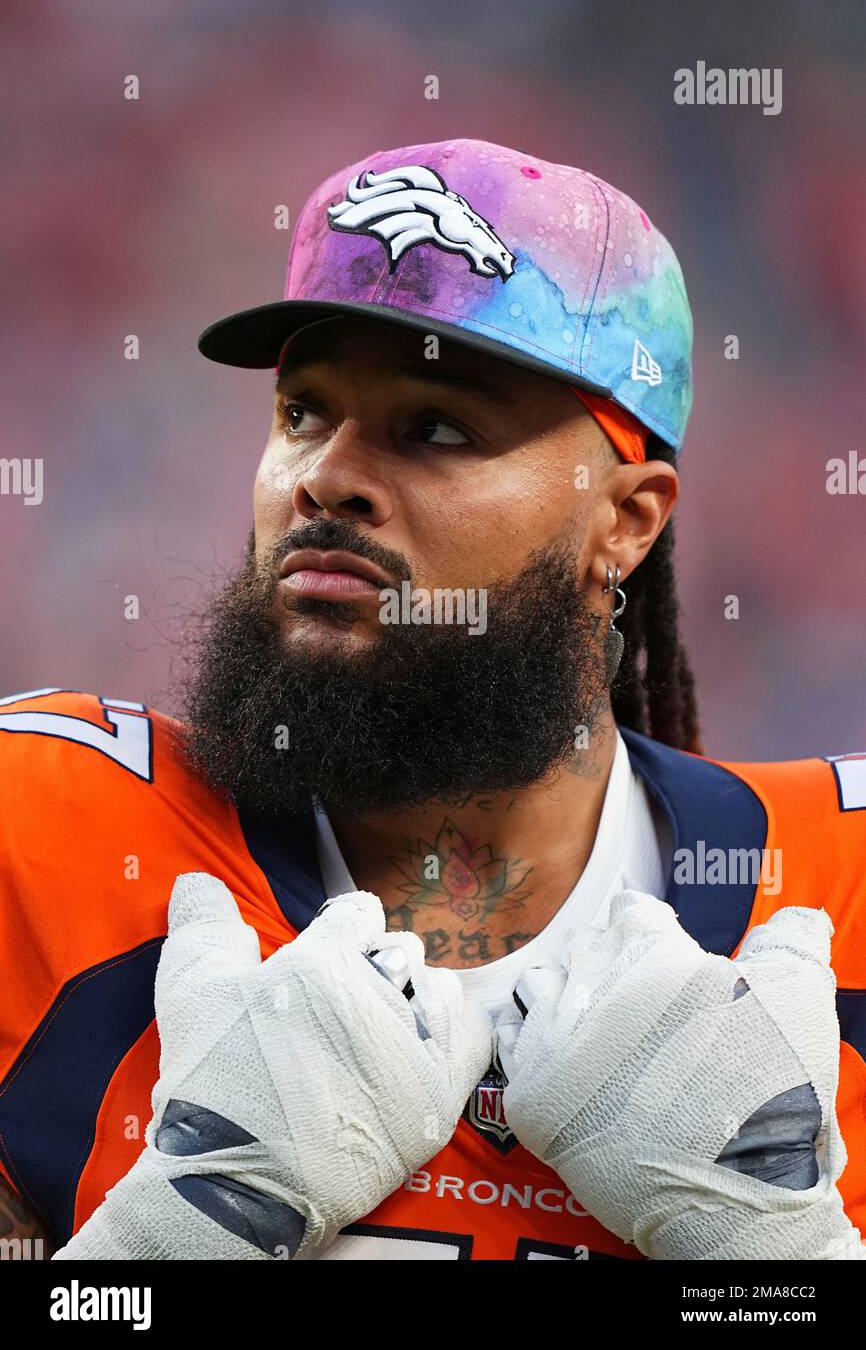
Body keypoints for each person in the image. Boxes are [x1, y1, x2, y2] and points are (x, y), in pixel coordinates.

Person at [1, 138, 864, 1262]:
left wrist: (780, 1267)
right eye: (303, 412)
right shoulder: (41, 832)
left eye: (435, 427)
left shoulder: (834, 890)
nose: (325, 475)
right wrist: (164, 1250)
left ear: (628, 519)